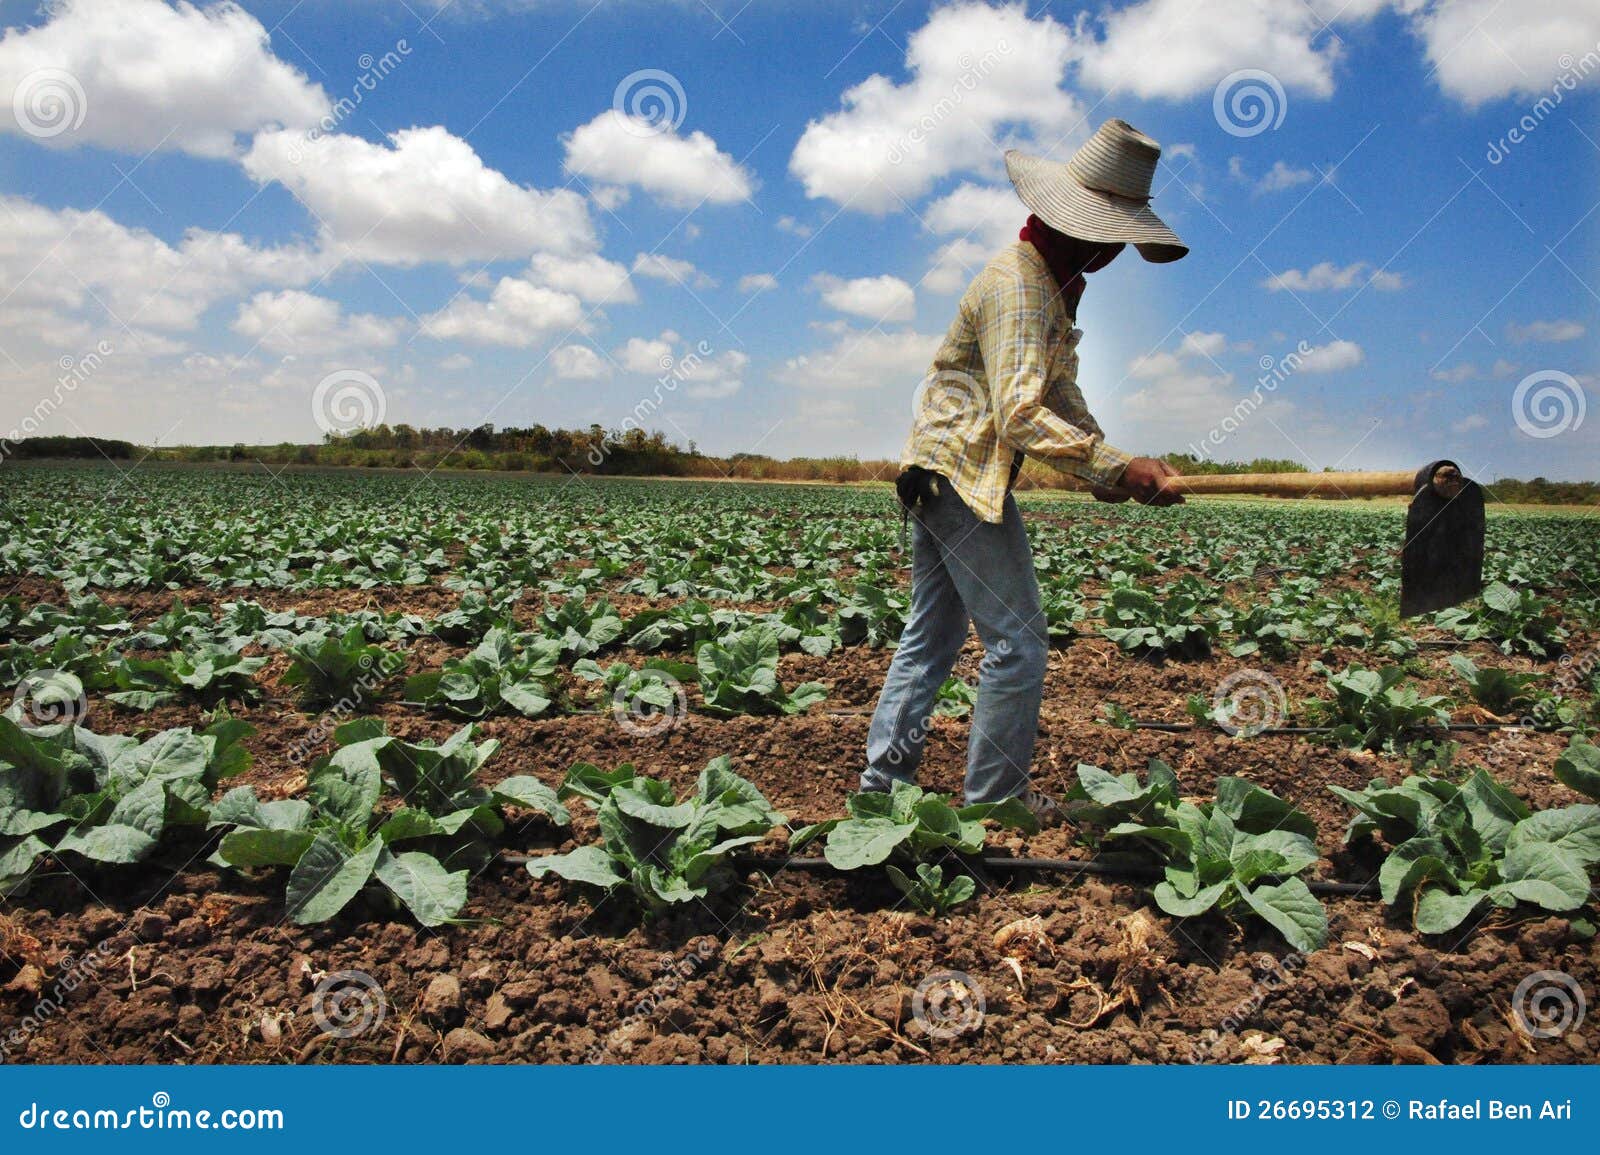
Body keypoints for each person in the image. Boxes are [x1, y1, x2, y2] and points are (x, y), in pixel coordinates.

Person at [861, 119, 1188, 825]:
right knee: (1019, 643)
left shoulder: (1053, 285)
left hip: (938, 472)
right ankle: (996, 801)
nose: (1118, 253)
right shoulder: (1023, 287)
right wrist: (1112, 467)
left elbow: (1058, 393)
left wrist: (1118, 466)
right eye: (1117, 237)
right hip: (960, 478)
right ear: (1093, 234)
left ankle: (879, 790)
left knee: (932, 636)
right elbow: (1018, 415)